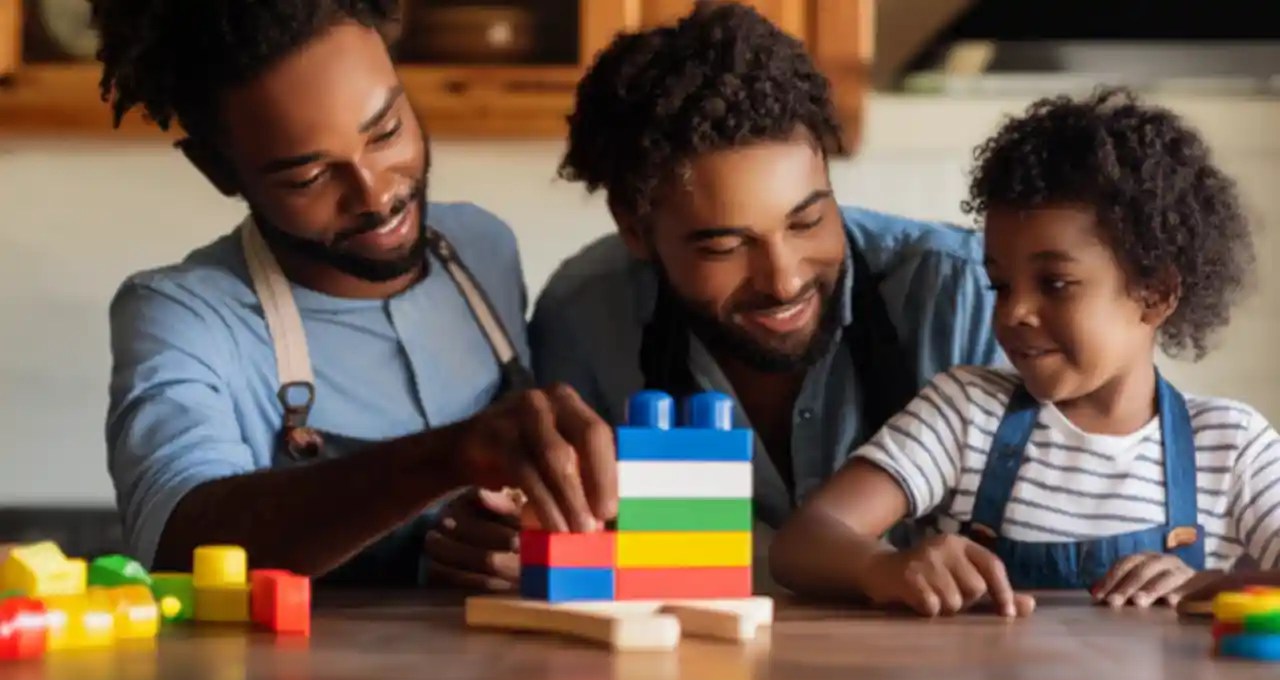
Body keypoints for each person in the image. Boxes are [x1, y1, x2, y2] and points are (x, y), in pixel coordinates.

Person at [94, 0, 615, 586]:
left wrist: (523, 542)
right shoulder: (185, 317)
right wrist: (447, 457)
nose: (374, 194)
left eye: (386, 131)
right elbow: (177, 541)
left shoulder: (482, 248)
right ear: (218, 169)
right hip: (287, 679)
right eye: (308, 178)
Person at [526, 3, 1003, 585]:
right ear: (634, 227)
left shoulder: (965, 297)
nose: (783, 280)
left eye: (806, 222)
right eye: (725, 247)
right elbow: (580, 554)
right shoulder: (585, 320)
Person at [769, 88, 1274, 618]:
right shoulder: (965, 413)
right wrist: (883, 566)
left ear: (1155, 294)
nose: (1013, 314)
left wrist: (1210, 584)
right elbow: (803, 544)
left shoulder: (1231, 447)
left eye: (1055, 284)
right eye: (1001, 285)